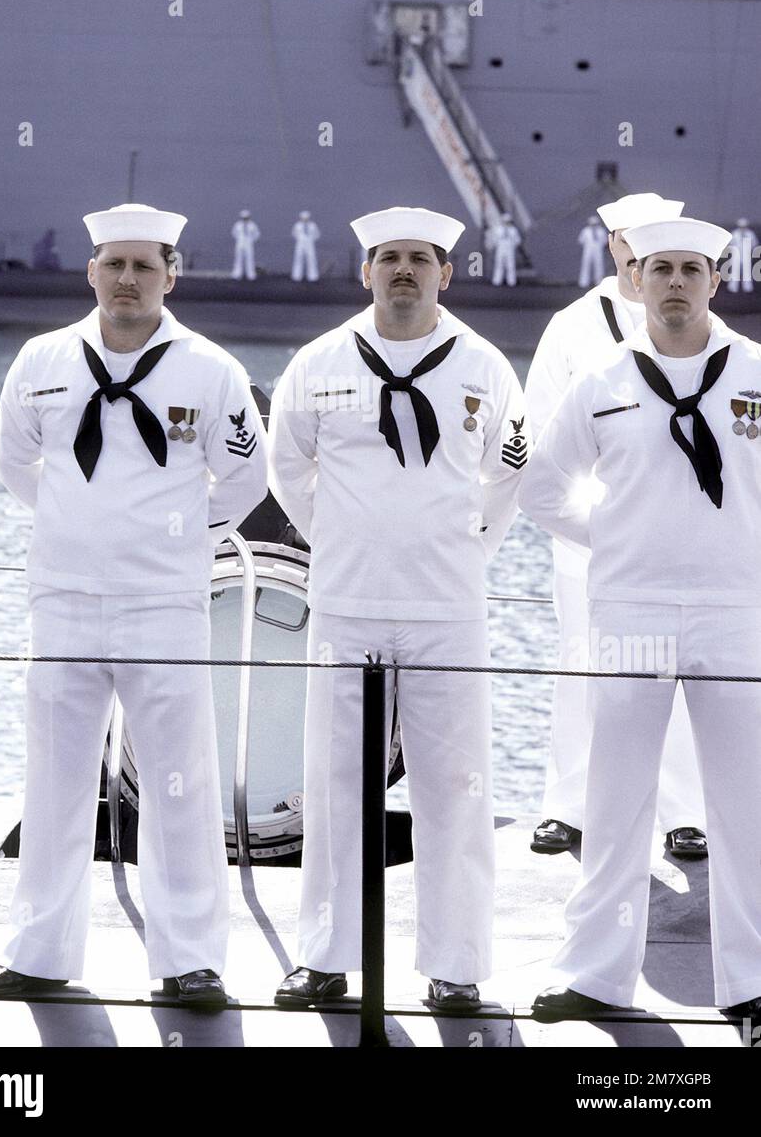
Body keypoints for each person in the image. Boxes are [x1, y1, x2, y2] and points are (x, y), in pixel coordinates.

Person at [0, 204, 267, 1005]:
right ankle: (38, 951)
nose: (127, 279)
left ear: (171, 274)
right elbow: (14, 464)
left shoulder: (210, 370)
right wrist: (82, 527)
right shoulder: (41, 359)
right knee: (54, 779)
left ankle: (190, 961)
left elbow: (244, 481)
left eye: (144, 266)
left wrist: (169, 539)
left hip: (163, 602)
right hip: (62, 597)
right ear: (90, 272)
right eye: (113, 264)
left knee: (180, 781)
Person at [268, 206, 528, 1013]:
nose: (404, 270)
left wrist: (458, 551)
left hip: (447, 608)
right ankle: (324, 956)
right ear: (364, 271)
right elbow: (286, 471)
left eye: (421, 258)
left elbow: (507, 477)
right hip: (345, 602)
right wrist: (347, 543)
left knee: (455, 783)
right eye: (389, 258)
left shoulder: (484, 367)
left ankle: (455, 965)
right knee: (335, 778)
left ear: (446, 274)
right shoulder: (316, 363)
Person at [522, 215, 761, 1027]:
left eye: (690, 270)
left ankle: (752, 984)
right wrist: (616, 543)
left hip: (735, 613)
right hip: (632, 612)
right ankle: (594, 975)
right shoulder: (602, 380)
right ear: (635, 280)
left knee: (745, 809)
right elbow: (541, 489)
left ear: (714, 281)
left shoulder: (755, 373)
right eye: (658, 269)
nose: (673, 284)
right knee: (615, 800)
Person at [524, 194, 706, 860]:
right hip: (589, 534)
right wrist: (589, 527)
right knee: (580, 666)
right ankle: (567, 807)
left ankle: (684, 814)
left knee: (683, 675)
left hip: (680, 539)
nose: (640, 257)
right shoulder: (572, 327)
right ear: (613, 249)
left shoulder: (700, 327)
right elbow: (540, 438)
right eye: (629, 244)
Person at [726, 217, 757, 293]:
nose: (742, 228)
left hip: (746, 255)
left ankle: (747, 288)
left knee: (747, 272)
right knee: (735, 271)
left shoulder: (750, 234)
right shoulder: (735, 234)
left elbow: (754, 244)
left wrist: (750, 251)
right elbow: (730, 244)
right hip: (736, 255)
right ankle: (733, 288)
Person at [576, 215, 608, 288]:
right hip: (588, 250)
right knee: (586, 265)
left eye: (595, 223)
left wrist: (599, 245)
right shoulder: (585, 231)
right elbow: (581, 240)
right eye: (592, 224)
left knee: (599, 265)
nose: (593, 225)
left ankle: (599, 281)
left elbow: (605, 241)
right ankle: (584, 282)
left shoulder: (601, 231)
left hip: (598, 250)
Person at [490, 214, 521, 287]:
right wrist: (497, 245)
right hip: (500, 249)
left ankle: (511, 282)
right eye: (505, 221)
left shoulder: (513, 230)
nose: (506, 223)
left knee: (511, 265)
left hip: (509, 250)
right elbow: (494, 239)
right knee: (499, 265)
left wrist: (512, 245)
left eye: (507, 221)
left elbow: (517, 240)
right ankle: (496, 281)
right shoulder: (498, 230)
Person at [290, 211, 320, 282]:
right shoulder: (297, 225)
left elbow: (317, 234)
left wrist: (311, 239)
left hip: (310, 244)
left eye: (306, 218)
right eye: (303, 218)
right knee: (298, 259)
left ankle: (313, 276)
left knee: (311, 259)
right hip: (300, 244)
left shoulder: (313, 225)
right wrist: (300, 239)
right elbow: (294, 233)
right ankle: (296, 276)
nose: (305, 219)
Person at [231, 209, 260, 279]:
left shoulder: (253, 225)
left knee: (250, 259)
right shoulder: (237, 225)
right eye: (244, 218)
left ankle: (251, 274)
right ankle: (237, 273)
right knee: (238, 259)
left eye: (246, 217)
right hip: (240, 244)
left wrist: (251, 240)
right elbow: (233, 233)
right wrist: (239, 239)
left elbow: (257, 234)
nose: (245, 219)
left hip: (249, 244)